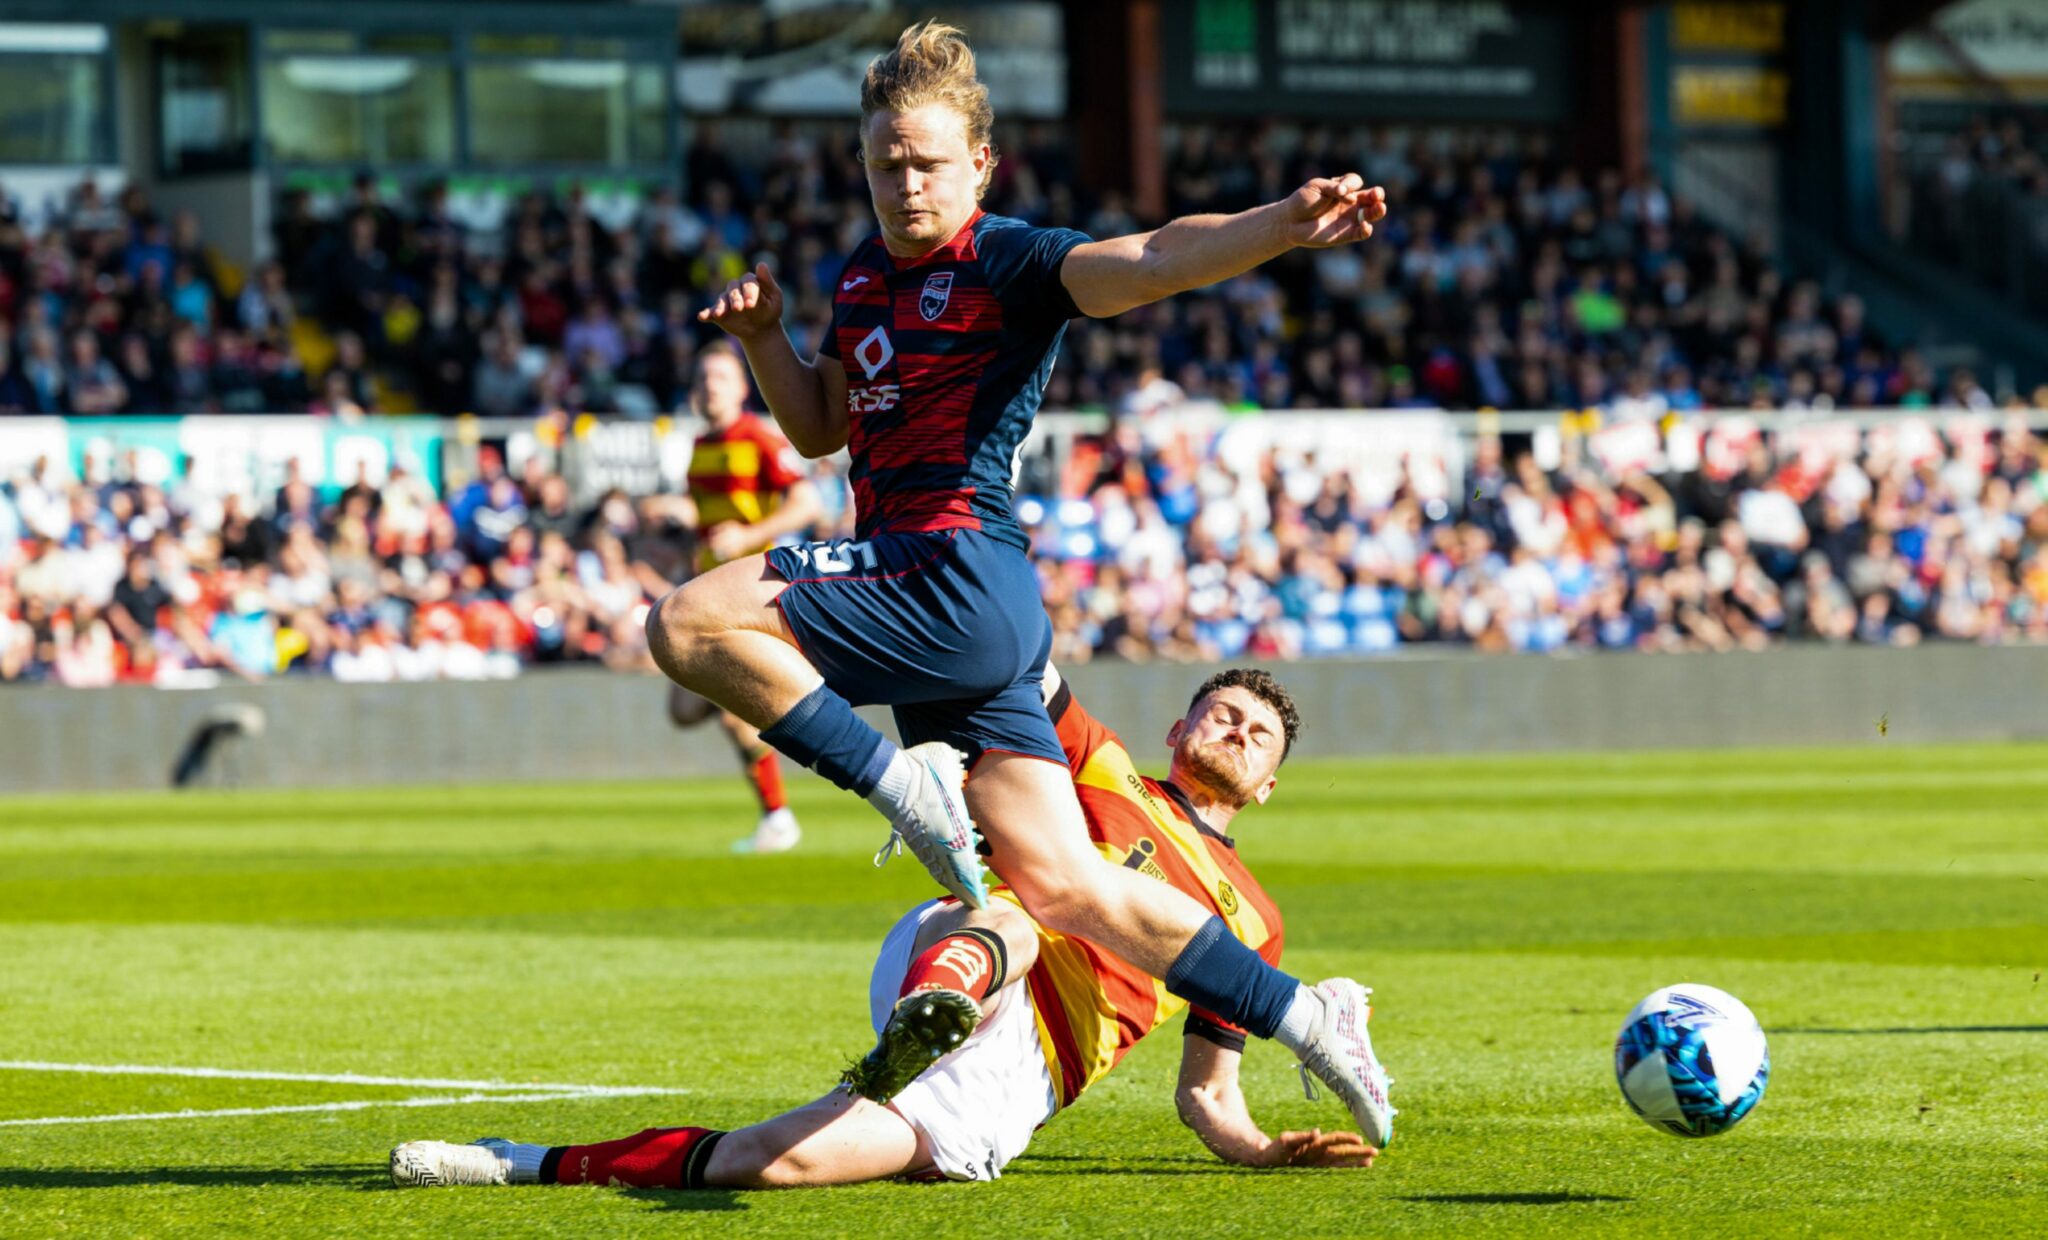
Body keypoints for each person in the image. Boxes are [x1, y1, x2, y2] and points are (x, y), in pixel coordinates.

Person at [649, 21, 1394, 1140]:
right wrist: (768, 340)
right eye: (884, 164)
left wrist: (1277, 226)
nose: (905, 183)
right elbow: (817, 430)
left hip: (950, 566)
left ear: (979, 164)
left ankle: (903, 788)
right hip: (943, 606)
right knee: (1062, 886)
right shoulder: (858, 281)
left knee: (689, 620)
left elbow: (1151, 256)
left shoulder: (1008, 260)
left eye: (928, 163)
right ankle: (1302, 1014)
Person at [390, 666, 1382, 1189]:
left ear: (1268, 784)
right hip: (969, 951)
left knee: (776, 1163)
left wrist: (1257, 1149)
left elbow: (1207, 1094)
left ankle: (519, 1160)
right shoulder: (1102, 761)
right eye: (1220, 712)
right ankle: (935, 1004)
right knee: (1021, 914)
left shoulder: (1254, 922)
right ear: (1177, 729)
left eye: (1257, 734)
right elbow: (1016, 667)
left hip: (1027, 1071)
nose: (1236, 730)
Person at [669, 343, 825, 852]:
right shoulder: (697, 448)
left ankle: (779, 818)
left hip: (749, 592)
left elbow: (807, 502)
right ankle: (782, 726)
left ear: (741, 388)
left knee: (731, 705)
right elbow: (711, 522)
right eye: (702, 376)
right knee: (686, 708)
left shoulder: (757, 438)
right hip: (705, 591)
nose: (708, 385)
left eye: (719, 376)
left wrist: (748, 535)